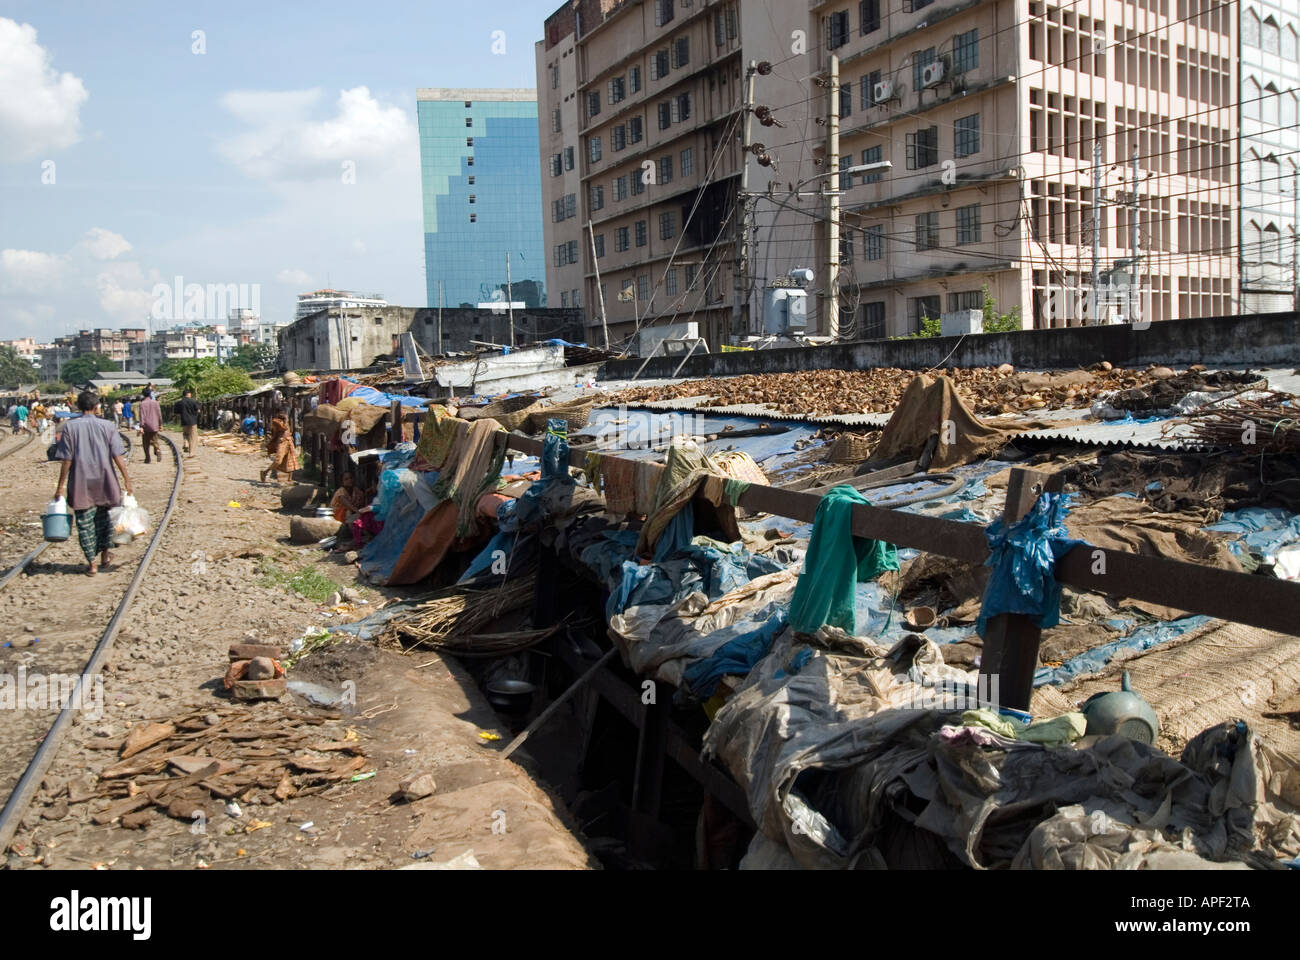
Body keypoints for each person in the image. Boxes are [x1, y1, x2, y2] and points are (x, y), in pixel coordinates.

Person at [53, 391, 133, 576]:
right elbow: (118, 456)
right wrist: (127, 480)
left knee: (85, 524)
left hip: (81, 482)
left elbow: (66, 460)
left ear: (78, 407)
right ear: (97, 406)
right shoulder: (108, 426)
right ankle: (105, 556)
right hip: (106, 481)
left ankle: (92, 564)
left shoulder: (70, 427)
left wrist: (60, 486)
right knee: (106, 521)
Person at [260, 408, 298, 484]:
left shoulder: (285, 421)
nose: (283, 414)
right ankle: (265, 472)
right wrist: (286, 420)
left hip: (289, 441)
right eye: (281, 413)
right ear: (277, 414)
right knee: (278, 460)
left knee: (291, 460)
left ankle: (290, 479)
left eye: (283, 413)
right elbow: (284, 428)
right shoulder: (276, 421)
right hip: (282, 442)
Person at [138, 389, 163, 463]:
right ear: (150, 394)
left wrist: (141, 426)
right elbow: (159, 415)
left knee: (146, 442)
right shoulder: (155, 403)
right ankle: (157, 450)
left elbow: (142, 416)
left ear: (143, 394)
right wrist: (160, 424)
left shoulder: (142, 404)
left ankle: (147, 458)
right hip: (155, 425)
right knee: (155, 440)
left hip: (146, 426)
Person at [176, 389, 200, 458]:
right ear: (189, 394)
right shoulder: (194, 401)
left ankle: (185, 443)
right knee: (193, 437)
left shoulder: (179, 403)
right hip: (193, 421)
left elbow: (176, 413)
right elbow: (198, 411)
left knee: (185, 434)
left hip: (184, 421)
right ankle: (191, 453)